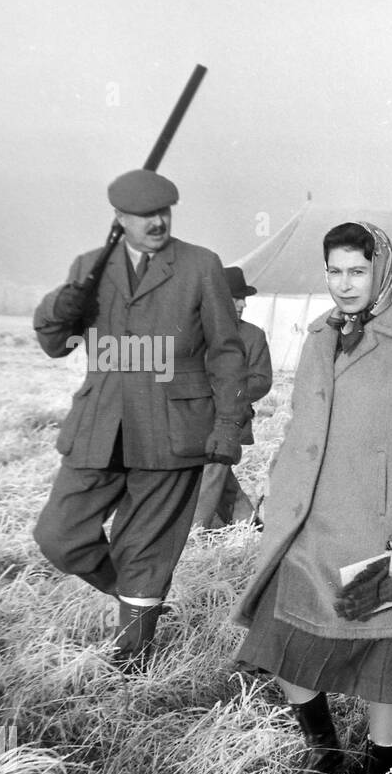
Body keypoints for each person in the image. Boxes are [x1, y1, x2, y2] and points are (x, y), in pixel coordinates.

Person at [232, 222, 392, 774]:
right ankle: (325, 751)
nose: (344, 284)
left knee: (385, 657)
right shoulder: (318, 338)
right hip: (309, 526)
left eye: (356, 271)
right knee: (282, 641)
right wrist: (275, 494)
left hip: (383, 532)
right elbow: (300, 430)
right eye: (334, 271)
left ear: (381, 268)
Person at [33, 169, 247, 670]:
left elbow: (227, 354)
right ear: (119, 219)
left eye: (164, 212)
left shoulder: (200, 266)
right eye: (144, 215)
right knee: (59, 536)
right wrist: (63, 306)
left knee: (145, 551)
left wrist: (226, 429)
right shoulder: (90, 265)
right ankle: (135, 594)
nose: (157, 222)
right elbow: (52, 343)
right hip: (98, 430)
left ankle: (132, 659)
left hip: (173, 432)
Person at [193, 266, 273, 530]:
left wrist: (225, 393)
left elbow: (262, 381)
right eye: (236, 297)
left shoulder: (253, 336)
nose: (243, 304)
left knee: (214, 467)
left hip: (231, 419)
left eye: (244, 298)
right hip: (195, 418)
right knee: (219, 473)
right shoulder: (195, 333)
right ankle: (248, 524)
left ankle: (193, 532)